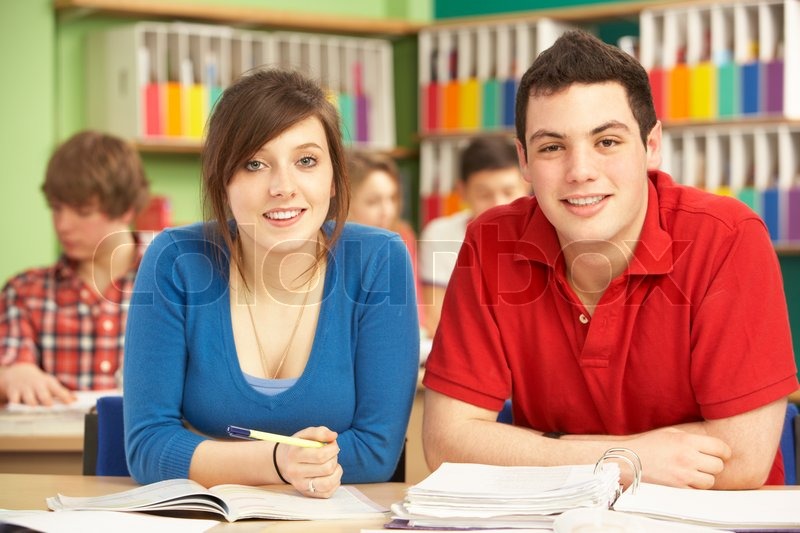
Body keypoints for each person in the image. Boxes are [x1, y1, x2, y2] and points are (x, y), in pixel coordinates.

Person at [422, 30, 798, 489]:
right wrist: (623, 459)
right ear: (524, 160)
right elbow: (446, 445)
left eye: (607, 142)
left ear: (651, 146)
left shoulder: (727, 237)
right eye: (552, 147)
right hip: (560, 517)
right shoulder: (491, 240)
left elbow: (743, 458)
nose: (580, 171)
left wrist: (543, 451)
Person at [123, 68, 419, 497]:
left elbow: (377, 451)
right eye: (255, 164)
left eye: (306, 161)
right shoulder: (174, 259)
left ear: (334, 177)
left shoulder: (379, 259)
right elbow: (148, 447)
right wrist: (279, 462)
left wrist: (214, 458)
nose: (283, 187)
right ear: (223, 181)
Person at [0, 130, 150, 406]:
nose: (63, 225)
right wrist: (12, 373)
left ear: (126, 209)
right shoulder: (24, 292)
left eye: (83, 211)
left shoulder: (175, 283)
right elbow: (10, 359)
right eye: (56, 208)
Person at [418, 135, 529, 335]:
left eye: (508, 192)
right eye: (484, 195)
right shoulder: (440, 235)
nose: (498, 205)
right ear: (462, 191)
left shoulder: (548, 233)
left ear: (527, 185)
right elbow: (436, 320)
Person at [346, 150, 426, 335]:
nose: (387, 211)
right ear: (346, 203)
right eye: (373, 202)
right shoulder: (336, 246)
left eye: (392, 198)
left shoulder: (403, 236)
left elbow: (416, 310)